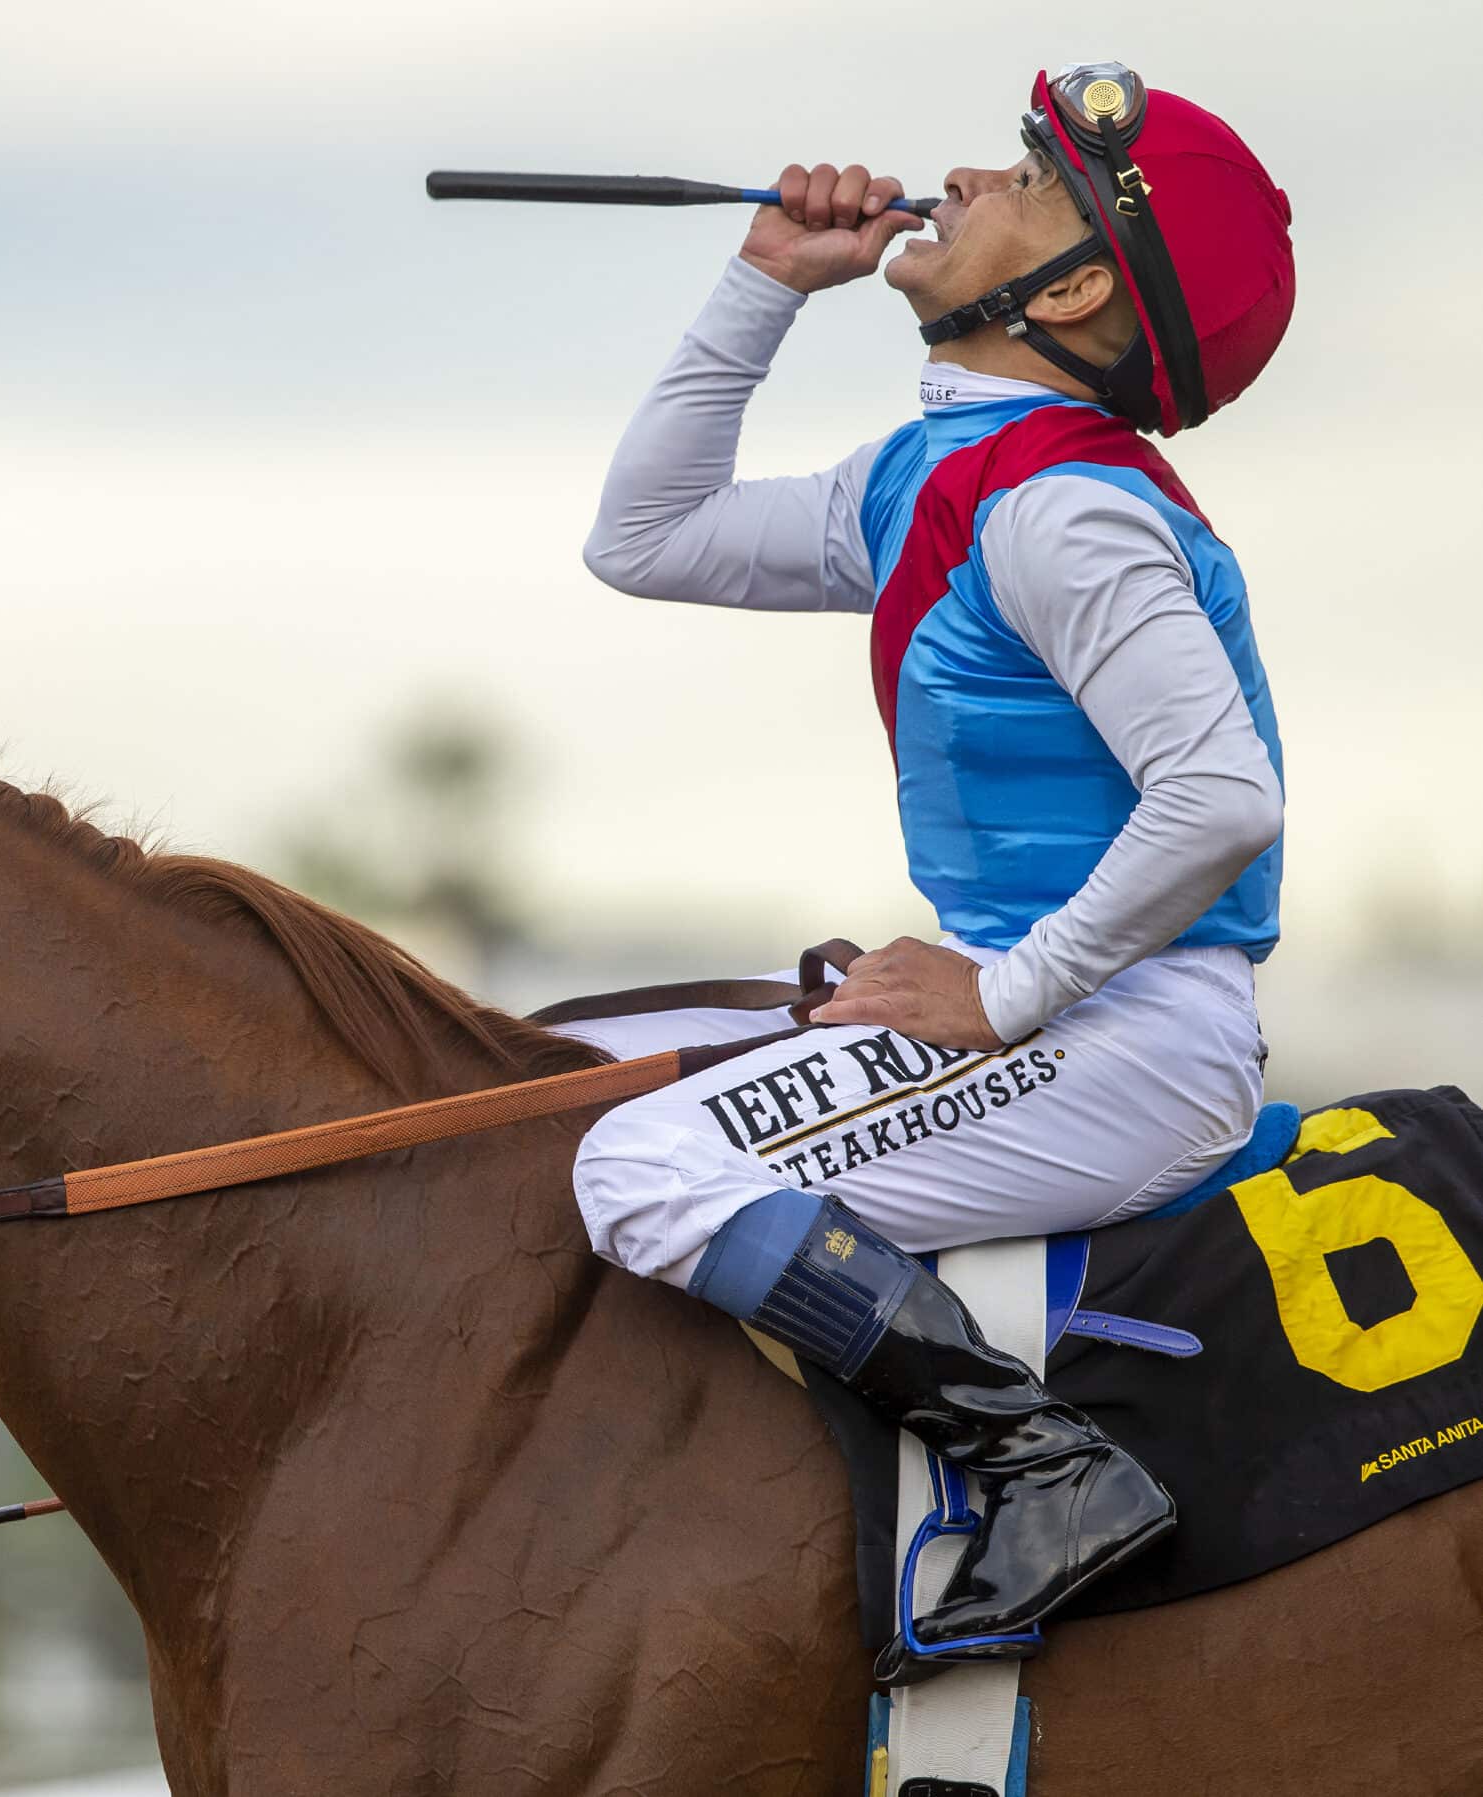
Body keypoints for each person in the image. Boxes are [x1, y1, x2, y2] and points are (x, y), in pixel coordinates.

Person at [565, 64, 1295, 1682]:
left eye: (1024, 180)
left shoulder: (1060, 511)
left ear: (1077, 286)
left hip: (1132, 1041)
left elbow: (1219, 798)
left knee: (639, 1170)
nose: (961, 178)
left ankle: (1049, 1466)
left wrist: (1003, 989)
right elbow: (645, 539)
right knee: (559, 1073)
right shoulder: (927, 477)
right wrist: (762, 282)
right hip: (1073, 1017)